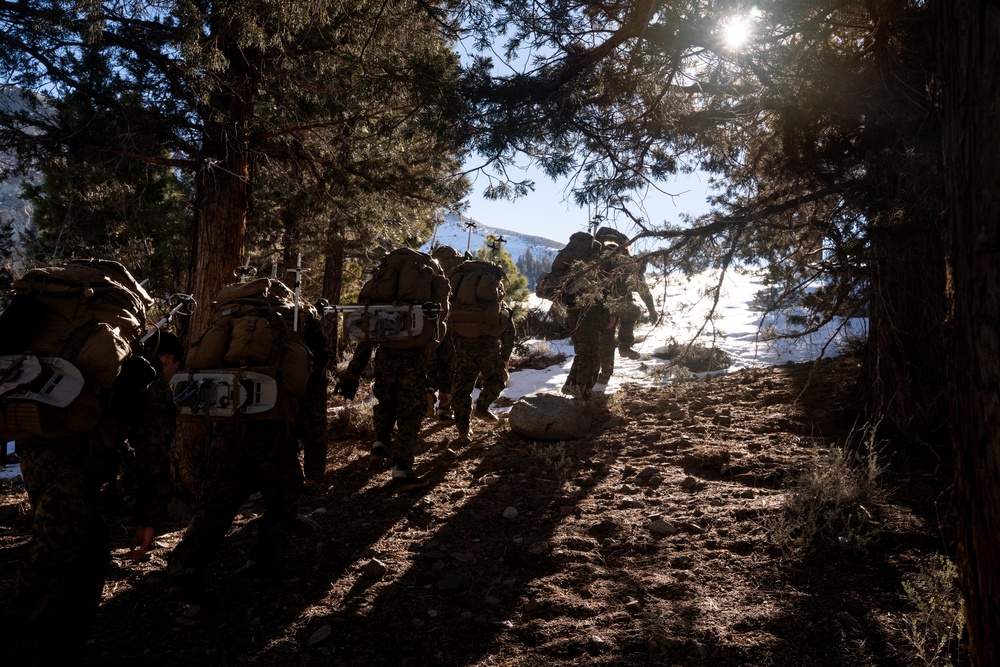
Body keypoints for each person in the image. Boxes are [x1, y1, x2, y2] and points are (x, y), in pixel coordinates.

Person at [3, 263, 172, 665]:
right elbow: (152, 444)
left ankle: (55, 646)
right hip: (77, 459)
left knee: (84, 553)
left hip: (34, 444)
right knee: (57, 556)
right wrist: (150, 513)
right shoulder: (132, 356)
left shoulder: (48, 337)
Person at [164, 290, 320, 602]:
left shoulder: (230, 329)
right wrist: (316, 464)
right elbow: (313, 406)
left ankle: (185, 569)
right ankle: (261, 565)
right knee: (283, 498)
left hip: (228, 431)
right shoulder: (294, 336)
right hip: (274, 435)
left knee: (217, 502)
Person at [336, 339, 433, 491]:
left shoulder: (382, 320)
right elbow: (438, 341)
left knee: (385, 405)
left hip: (385, 360)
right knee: (409, 416)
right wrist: (441, 383)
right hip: (413, 362)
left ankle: (379, 445)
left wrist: (352, 373)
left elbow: (366, 340)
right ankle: (402, 470)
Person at [452, 302, 517, 445]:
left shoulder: (459, 300)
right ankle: (482, 406)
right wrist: (505, 356)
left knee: (462, 389)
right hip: (488, 348)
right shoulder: (494, 300)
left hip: (462, 349)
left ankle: (463, 428)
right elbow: (508, 330)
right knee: (498, 379)